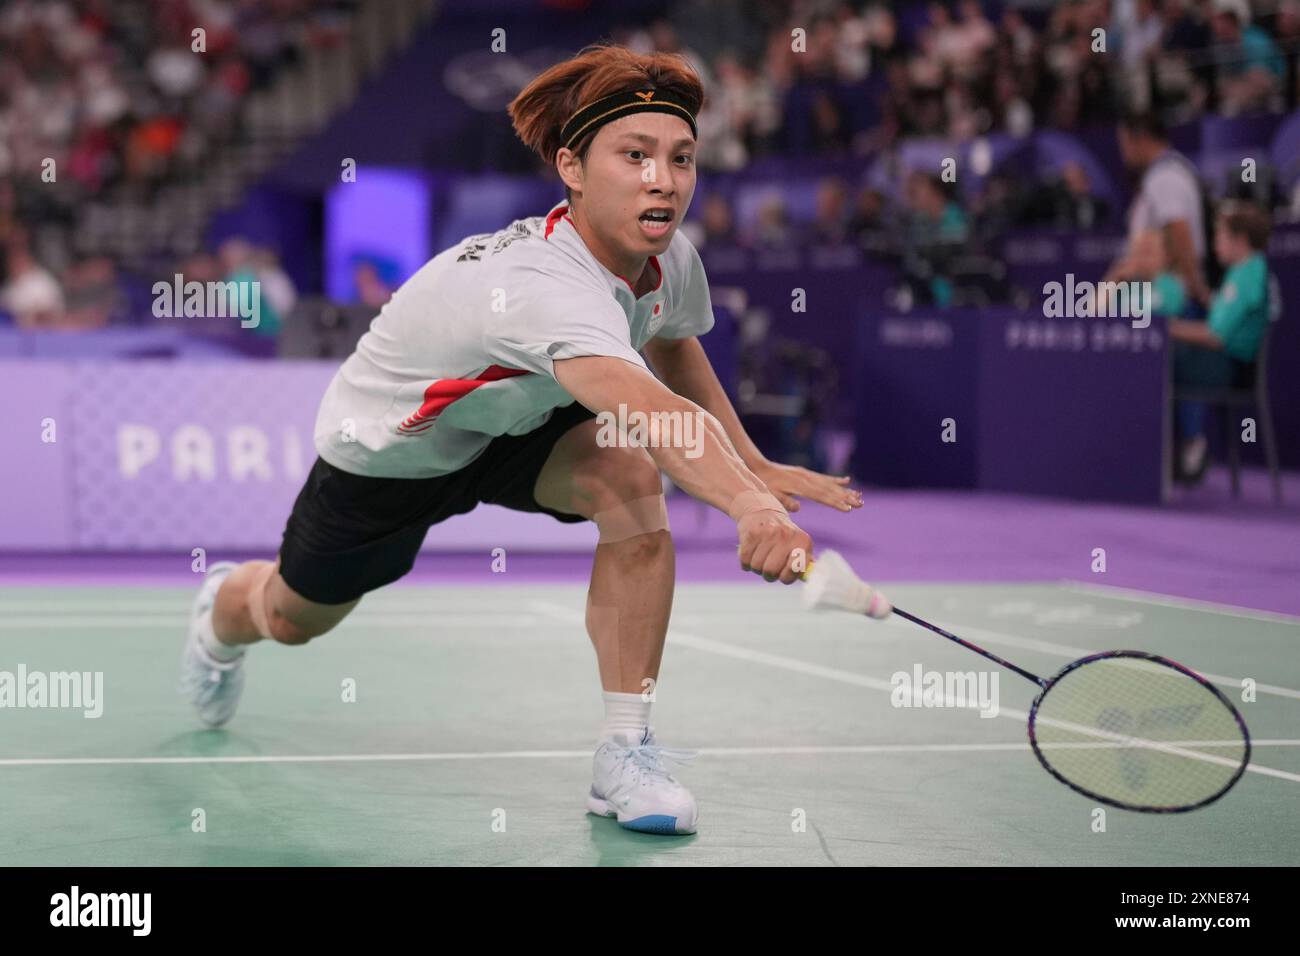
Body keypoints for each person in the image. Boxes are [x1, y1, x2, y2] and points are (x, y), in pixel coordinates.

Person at [178, 43, 862, 836]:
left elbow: (671, 342)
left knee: (630, 481)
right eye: (634, 156)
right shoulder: (542, 287)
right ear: (572, 168)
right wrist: (750, 507)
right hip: (395, 448)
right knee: (293, 618)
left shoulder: (668, 256)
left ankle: (623, 752)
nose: (663, 180)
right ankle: (219, 615)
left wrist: (752, 464)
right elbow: (643, 401)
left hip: (520, 419)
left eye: (681, 158)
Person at [1168, 201, 1273, 483]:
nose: (1215, 244)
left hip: (1229, 369)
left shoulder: (1247, 275)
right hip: (1225, 364)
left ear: (1240, 240)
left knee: (1156, 368)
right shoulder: (1246, 271)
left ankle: (1177, 454)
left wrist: (1167, 330)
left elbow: (1214, 336)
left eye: (1220, 236)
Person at [1105, 111, 1212, 308]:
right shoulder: (1165, 172)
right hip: (1157, 287)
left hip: (1169, 291)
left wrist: (1194, 287)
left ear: (1141, 139)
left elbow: (1179, 228)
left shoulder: (1165, 176)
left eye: (1125, 143)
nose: (1123, 153)